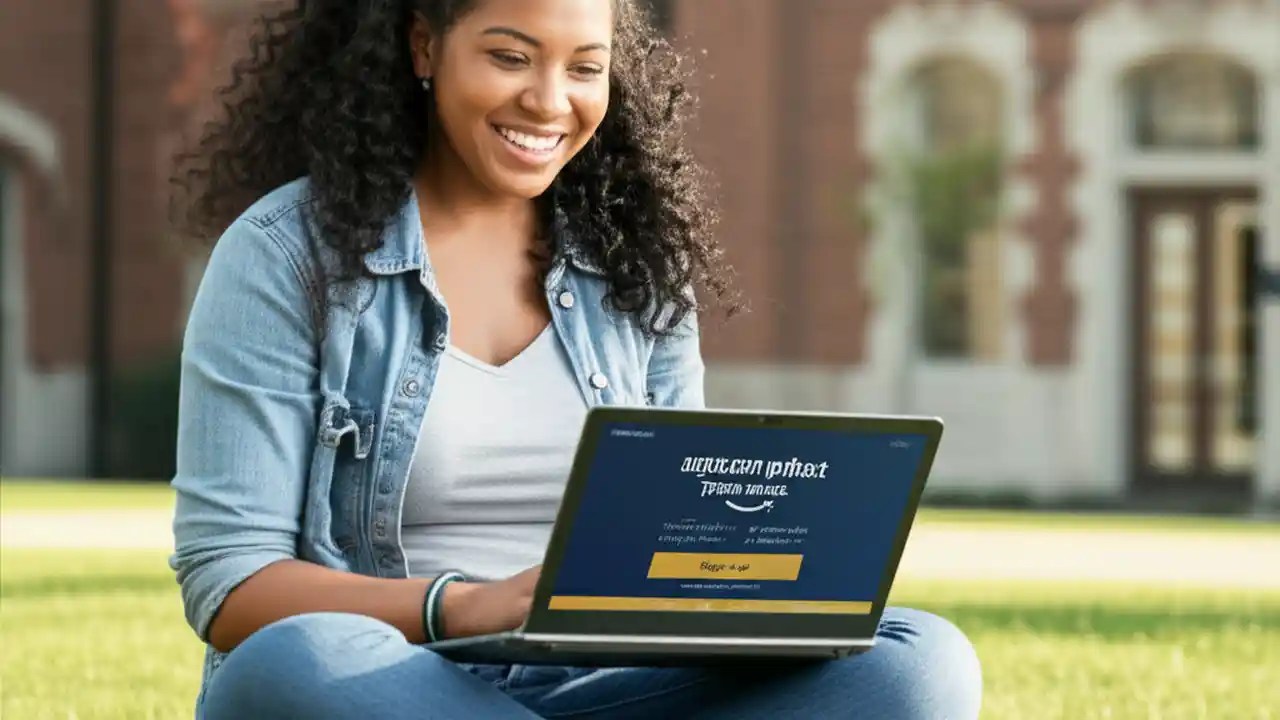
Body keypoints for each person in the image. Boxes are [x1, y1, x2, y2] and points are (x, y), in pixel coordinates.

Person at [167, 0, 982, 717]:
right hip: (395, 681)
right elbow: (231, 583)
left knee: (920, 662)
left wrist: (750, 585)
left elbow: (672, 529)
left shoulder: (636, 263)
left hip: (608, 685)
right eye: (510, 56)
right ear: (424, 46)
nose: (550, 101)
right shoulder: (286, 255)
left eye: (584, 67)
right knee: (289, 666)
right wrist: (466, 607)